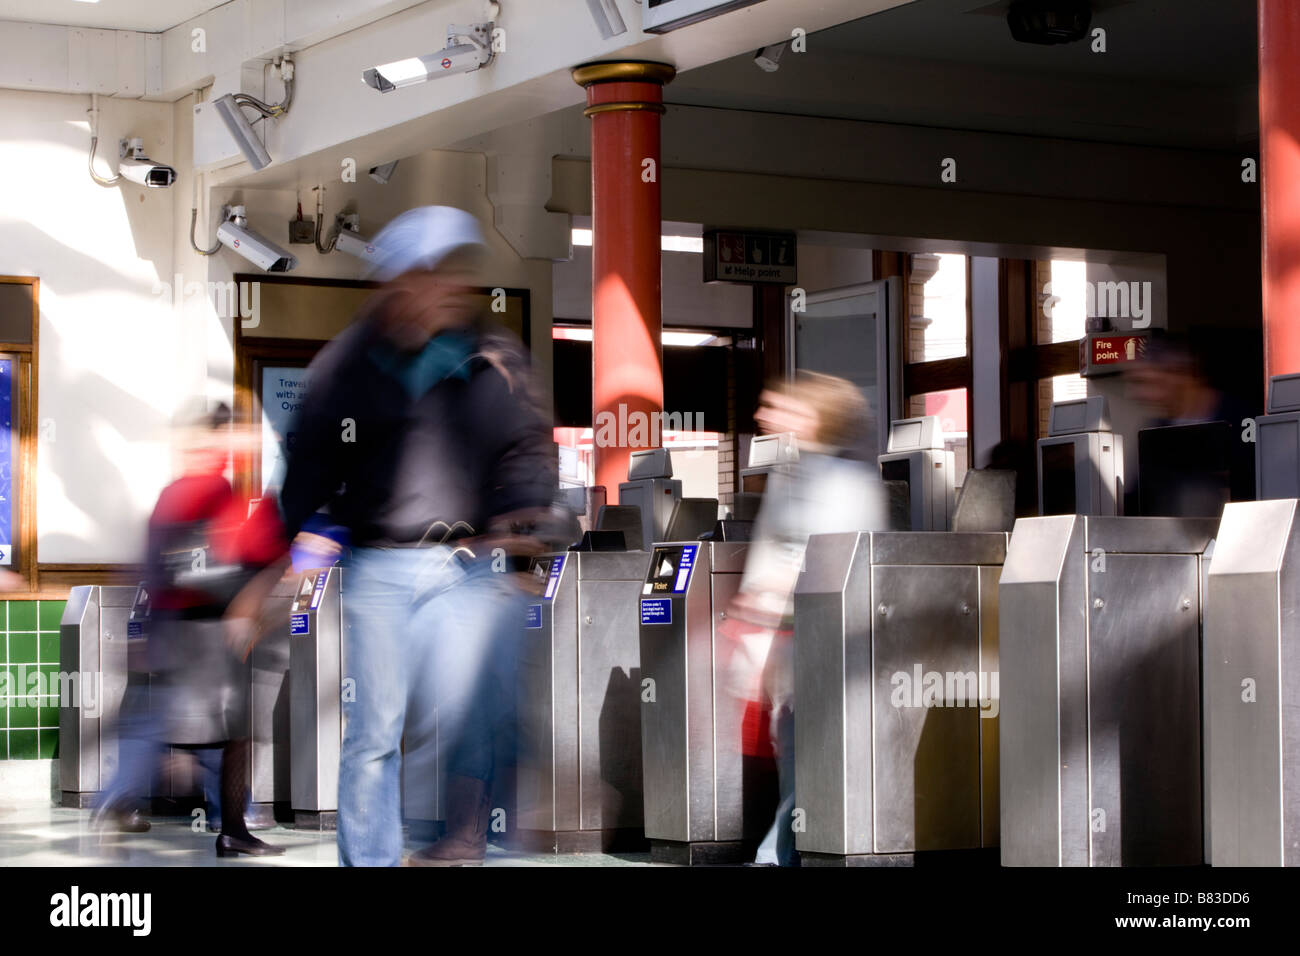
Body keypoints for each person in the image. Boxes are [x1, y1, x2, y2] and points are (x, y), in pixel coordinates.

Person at [274, 206, 556, 867]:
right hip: (379, 564)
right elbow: (311, 460)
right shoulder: (349, 365)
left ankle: (472, 837)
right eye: (433, 271)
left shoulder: (493, 354)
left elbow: (524, 445)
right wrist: (294, 538)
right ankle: (369, 859)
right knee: (375, 731)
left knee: (468, 709)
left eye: (457, 269)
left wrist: (519, 521)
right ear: (397, 280)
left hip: (463, 565)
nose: (451, 284)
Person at [719, 372, 888, 866]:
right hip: (791, 638)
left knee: (805, 750)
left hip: (827, 639)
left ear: (813, 415)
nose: (762, 415)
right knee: (793, 748)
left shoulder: (848, 482)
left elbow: (841, 561)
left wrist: (775, 592)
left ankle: (779, 854)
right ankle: (783, 851)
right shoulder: (791, 476)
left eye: (777, 406)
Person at [140, 402, 286, 857]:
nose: (235, 443)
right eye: (229, 434)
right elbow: (239, 547)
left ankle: (231, 826)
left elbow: (159, 561)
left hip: (184, 623)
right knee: (227, 731)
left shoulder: (180, 491)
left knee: (213, 730)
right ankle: (232, 829)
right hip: (209, 627)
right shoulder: (211, 488)